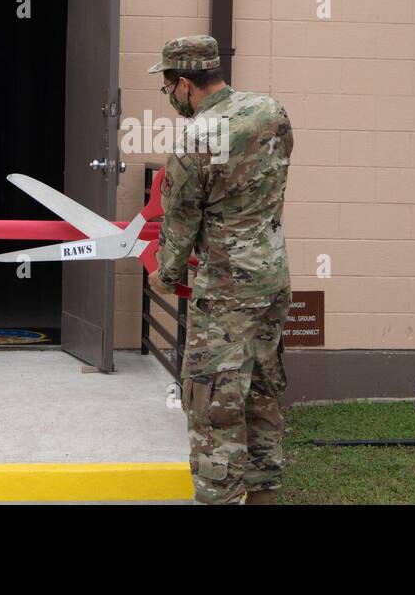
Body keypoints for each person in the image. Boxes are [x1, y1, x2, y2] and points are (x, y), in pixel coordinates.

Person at [146, 35, 294, 505]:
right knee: (261, 388)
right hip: (272, 275)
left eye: (168, 87)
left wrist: (164, 276)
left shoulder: (195, 137)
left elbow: (180, 220)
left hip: (228, 288)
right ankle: (264, 492)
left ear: (186, 84)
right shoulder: (270, 110)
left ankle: (220, 497)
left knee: (212, 401)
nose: (169, 98)